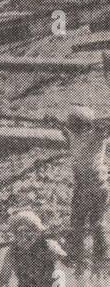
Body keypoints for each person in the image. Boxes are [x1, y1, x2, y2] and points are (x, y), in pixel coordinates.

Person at [56, 107, 109, 272]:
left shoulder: (96, 136)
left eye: (75, 125)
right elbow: (65, 131)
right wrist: (54, 123)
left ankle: (97, 259)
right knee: (83, 222)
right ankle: (84, 258)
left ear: (85, 125)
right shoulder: (75, 135)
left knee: (91, 223)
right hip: (88, 187)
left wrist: (101, 123)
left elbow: (105, 128)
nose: (73, 128)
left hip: (94, 188)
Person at [0, 209, 67, 287]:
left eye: (28, 231)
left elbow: (60, 271)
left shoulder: (47, 246)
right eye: (20, 232)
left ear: (36, 231)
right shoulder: (12, 252)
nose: (24, 236)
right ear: (15, 234)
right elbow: (3, 279)